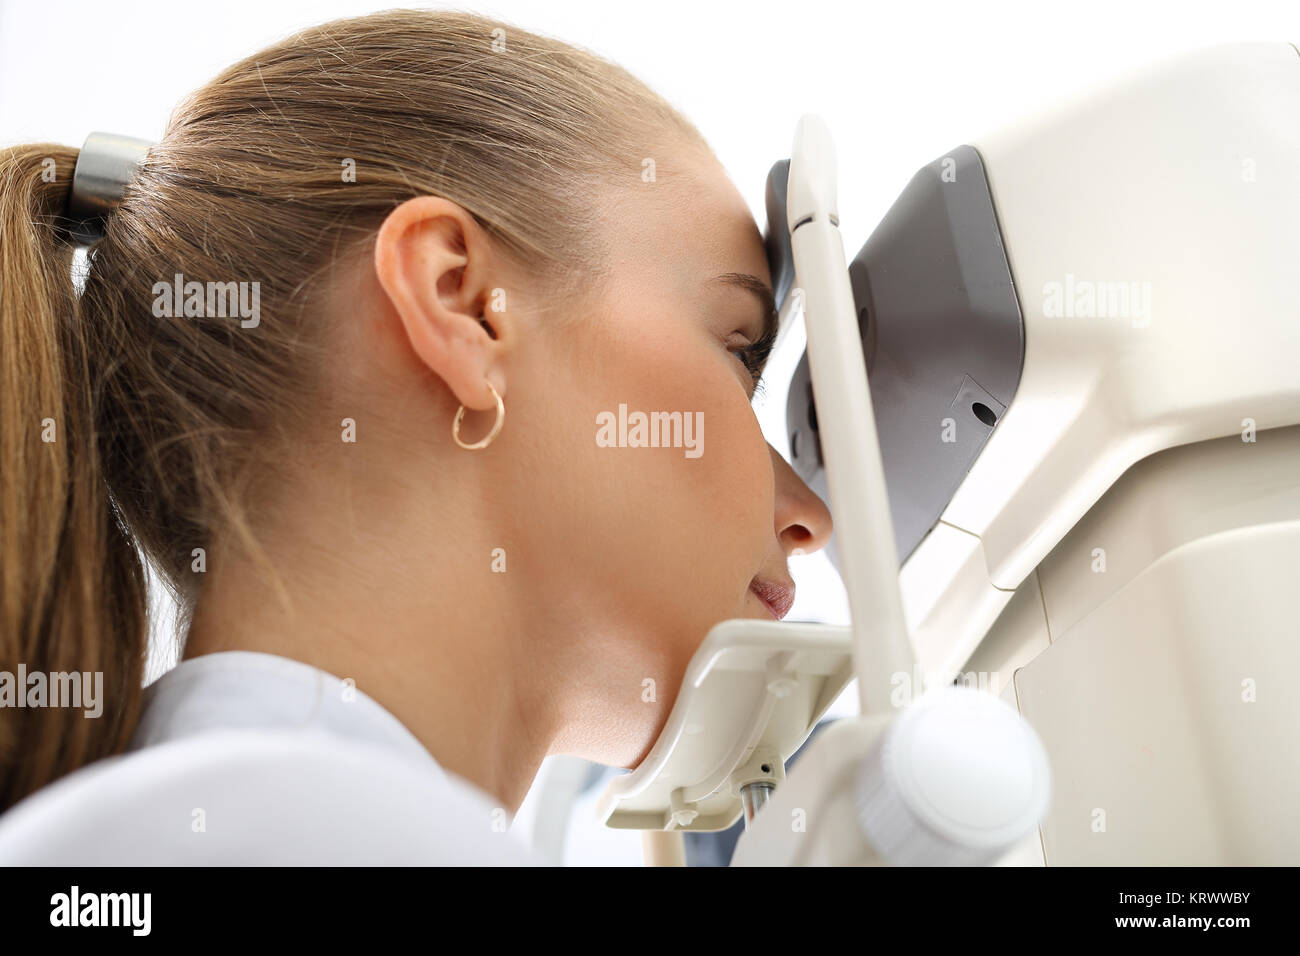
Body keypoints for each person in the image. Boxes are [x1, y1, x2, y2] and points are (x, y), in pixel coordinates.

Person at [0, 8, 831, 863]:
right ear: (462, 302)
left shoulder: (192, 825)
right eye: (737, 349)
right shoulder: (324, 833)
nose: (812, 516)